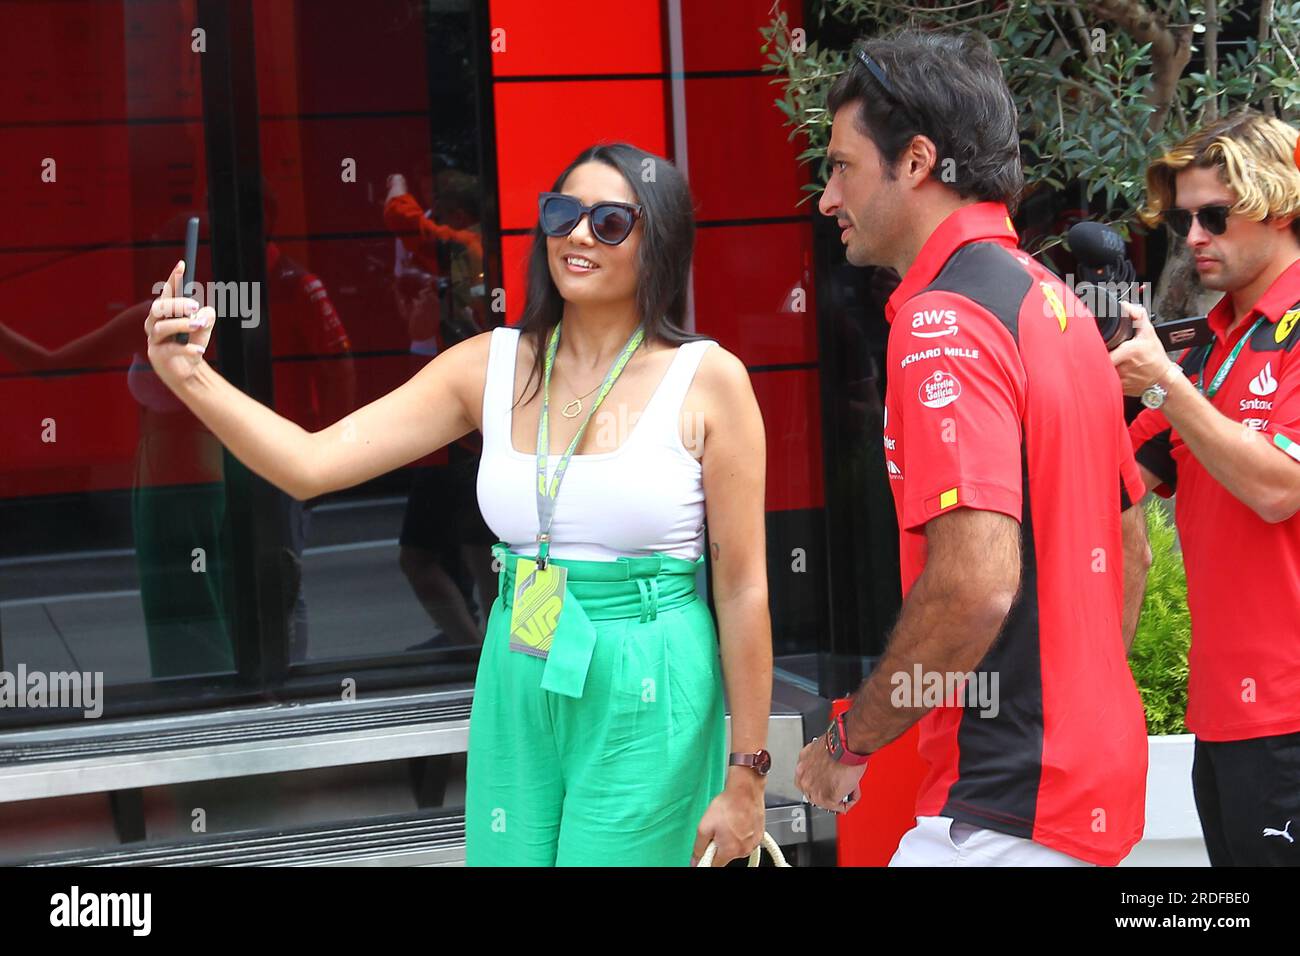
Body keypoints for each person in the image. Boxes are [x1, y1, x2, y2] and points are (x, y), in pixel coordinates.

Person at [141, 142, 773, 867]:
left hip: (648, 671)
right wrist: (190, 377)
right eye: (562, 212)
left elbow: (743, 585)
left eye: (608, 222)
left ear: (658, 239)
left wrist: (747, 775)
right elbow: (311, 463)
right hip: (522, 654)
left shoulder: (708, 379)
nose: (575, 234)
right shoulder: (489, 365)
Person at [795, 29, 1151, 867]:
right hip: (1077, 795)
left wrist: (849, 740)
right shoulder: (1054, 300)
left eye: (841, 165)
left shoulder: (943, 321)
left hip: (1002, 809)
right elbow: (1129, 551)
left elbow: (975, 586)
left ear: (915, 162)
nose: (826, 197)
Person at [1113, 110, 1300, 866]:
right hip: (1225, 715)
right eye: (1187, 219)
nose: (1193, 238)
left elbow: (1279, 487)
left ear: (1280, 205)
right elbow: (1120, 481)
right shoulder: (1213, 341)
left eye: (1214, 216)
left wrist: (1164, 386)